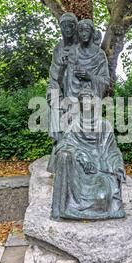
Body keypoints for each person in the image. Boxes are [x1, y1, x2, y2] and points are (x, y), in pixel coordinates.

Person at [51, 87, 126, 220]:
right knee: (64, 155)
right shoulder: (74, 124)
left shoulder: (104, 125)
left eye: (88, 100)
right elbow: (63, 145)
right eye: (82, 100)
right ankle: (63, 209)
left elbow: (112, 151)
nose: (85, 103)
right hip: (79, 171)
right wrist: (81, 156)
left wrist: (117, 166)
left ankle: (83, 209)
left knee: (102, 198)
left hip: (99, 170)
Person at [46, 12, 78, 172]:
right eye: (64, 26)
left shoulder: (81, 46)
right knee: (56, 108)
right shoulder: (58, 48)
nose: (67, 29)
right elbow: (54, 76)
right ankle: (59, 149)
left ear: (75, 27)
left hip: (78, 92)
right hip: (60, 89)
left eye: (71, 26)